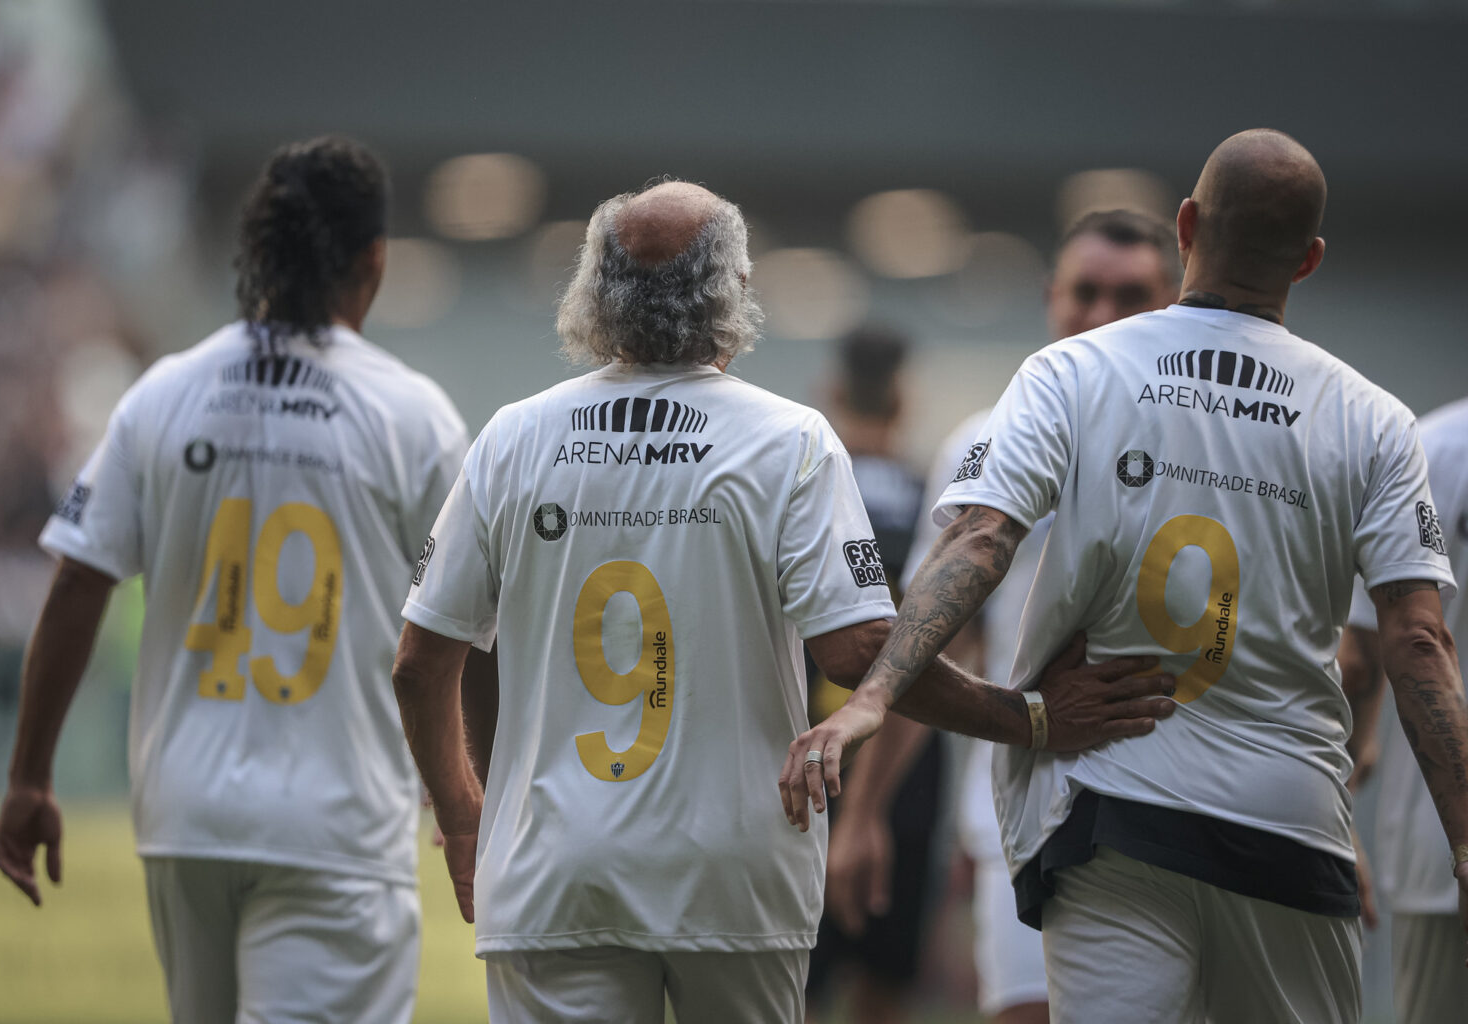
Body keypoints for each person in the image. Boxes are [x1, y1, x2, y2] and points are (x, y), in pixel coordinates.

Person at [391, 180, 1177, 1024]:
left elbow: (423, 661)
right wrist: (1030, 717)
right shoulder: (789, 440)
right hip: (734, 881)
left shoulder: (512, 438)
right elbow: (860, 651)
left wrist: (467, 812)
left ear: (592, 292)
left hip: (551, 876)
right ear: (731, 293)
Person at [784, 129, 1468, 1024]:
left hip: (1110, 808)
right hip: (1289, 828)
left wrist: (871, 698)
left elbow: (980, 542)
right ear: (1309, 260)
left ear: (1185, 229)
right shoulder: (1374, 419)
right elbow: (1414, 640)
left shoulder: (1073, 372)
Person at [0, 136, 471, 1023]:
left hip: (185, 818)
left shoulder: (161, 394)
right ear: (372, 263)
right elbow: (467, 624)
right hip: (334, 825)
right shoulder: (414, 417)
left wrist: (29, 776)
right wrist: (465, 788)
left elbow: (76, 583)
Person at [828, 209, 1180, 1024]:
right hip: (1024, 812)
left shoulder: (1216, 447)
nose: (1101, 315)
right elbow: (934, 637)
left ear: (1174, 304)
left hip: (1180, 806)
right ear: (1052, 296)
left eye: (1130, 296)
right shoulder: (987, 442)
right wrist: (866, 813)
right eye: (1084, 292)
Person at [805, 327, 940, 1024]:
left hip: (801, 766)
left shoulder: (803, 490)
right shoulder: (935, 500)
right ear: (902, 399)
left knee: (791, 985)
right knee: (883, 986)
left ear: (830, 391)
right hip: (905, 772)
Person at [1340, 395, 1468, 1024]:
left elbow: (1359, 664)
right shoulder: (1432, 451)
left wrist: (1328, 822)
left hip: (1442, 854)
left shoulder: (1434, 449)